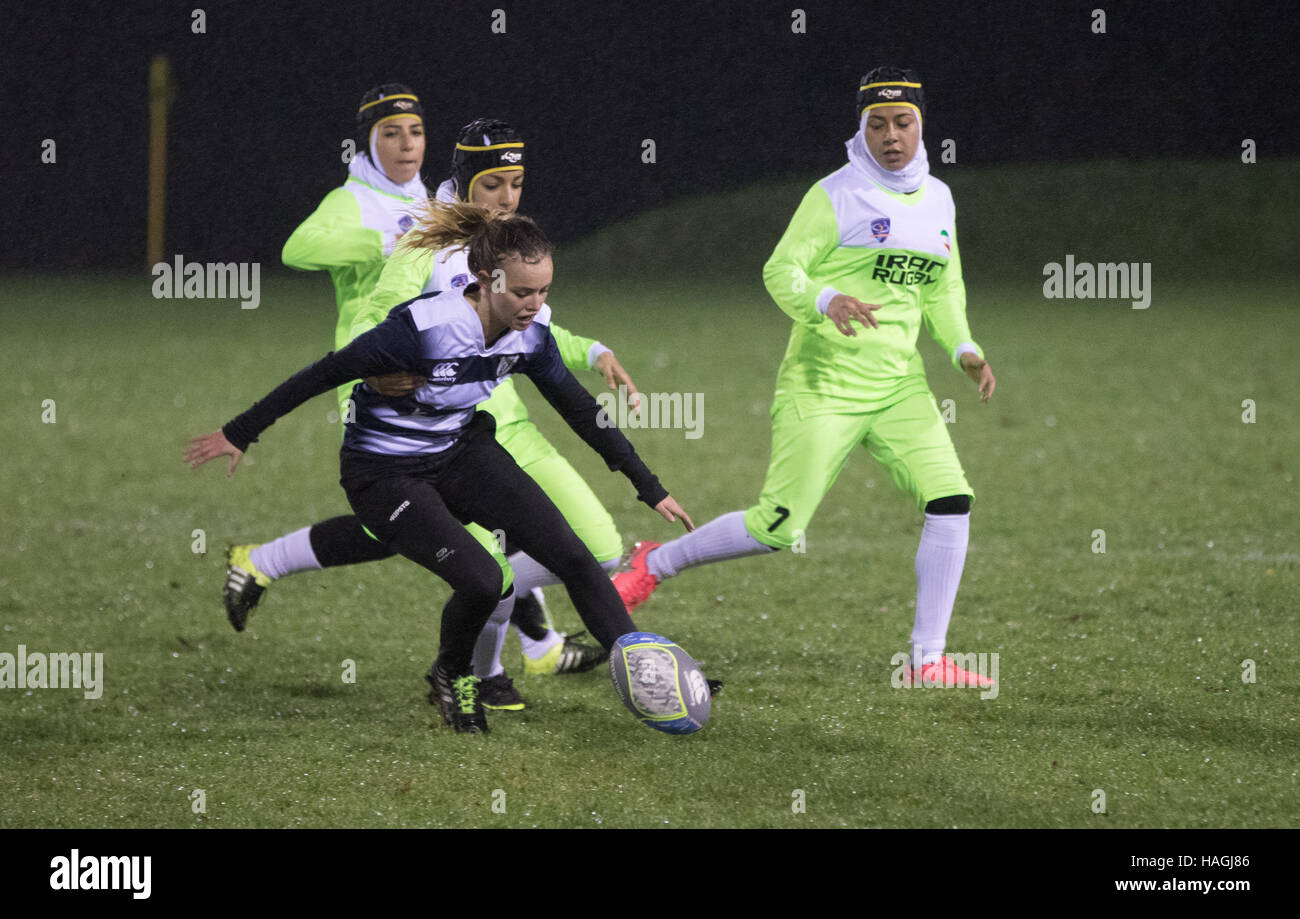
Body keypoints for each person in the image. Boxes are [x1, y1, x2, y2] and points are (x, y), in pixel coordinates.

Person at [186, 203, 695, 733]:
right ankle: (453, 676)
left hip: (458, 452)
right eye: (523, 292)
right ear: (485, 278)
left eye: (544, 291)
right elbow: (323, 373)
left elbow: (580, 411)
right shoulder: (424, 328)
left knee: (577, 556)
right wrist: (240, 432)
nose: (535, 305)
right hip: (385, 474)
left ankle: (643, 669)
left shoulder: (531, 333)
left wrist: (647, 485)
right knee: (485, 582)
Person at [224, 120, 640, 709]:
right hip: (418, 423)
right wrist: (372, 370)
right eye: (493, 184)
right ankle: (492, 671)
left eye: (516, 183)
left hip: (501, 424)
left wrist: (592, 352)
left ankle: (532, 644)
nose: (506, 197)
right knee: (466, 555)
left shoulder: (505, 243)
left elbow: (536, 330)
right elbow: (372, 313)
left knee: (593, 549)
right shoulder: (422, 235)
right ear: (466, 180)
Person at [612, 66, 998, 689]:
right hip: (823, 384)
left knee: (951, 502)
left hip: (900, 387)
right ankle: (655, 562)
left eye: (903, 123)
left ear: (922, 125)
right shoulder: (836, 194)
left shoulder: (939, 198)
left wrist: (964, 349)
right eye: (877, 124)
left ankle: (927, 659)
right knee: (778, 528)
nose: (891, 136)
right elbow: (779, 270)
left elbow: (942, 287)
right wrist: (826, 301)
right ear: (861, 127)